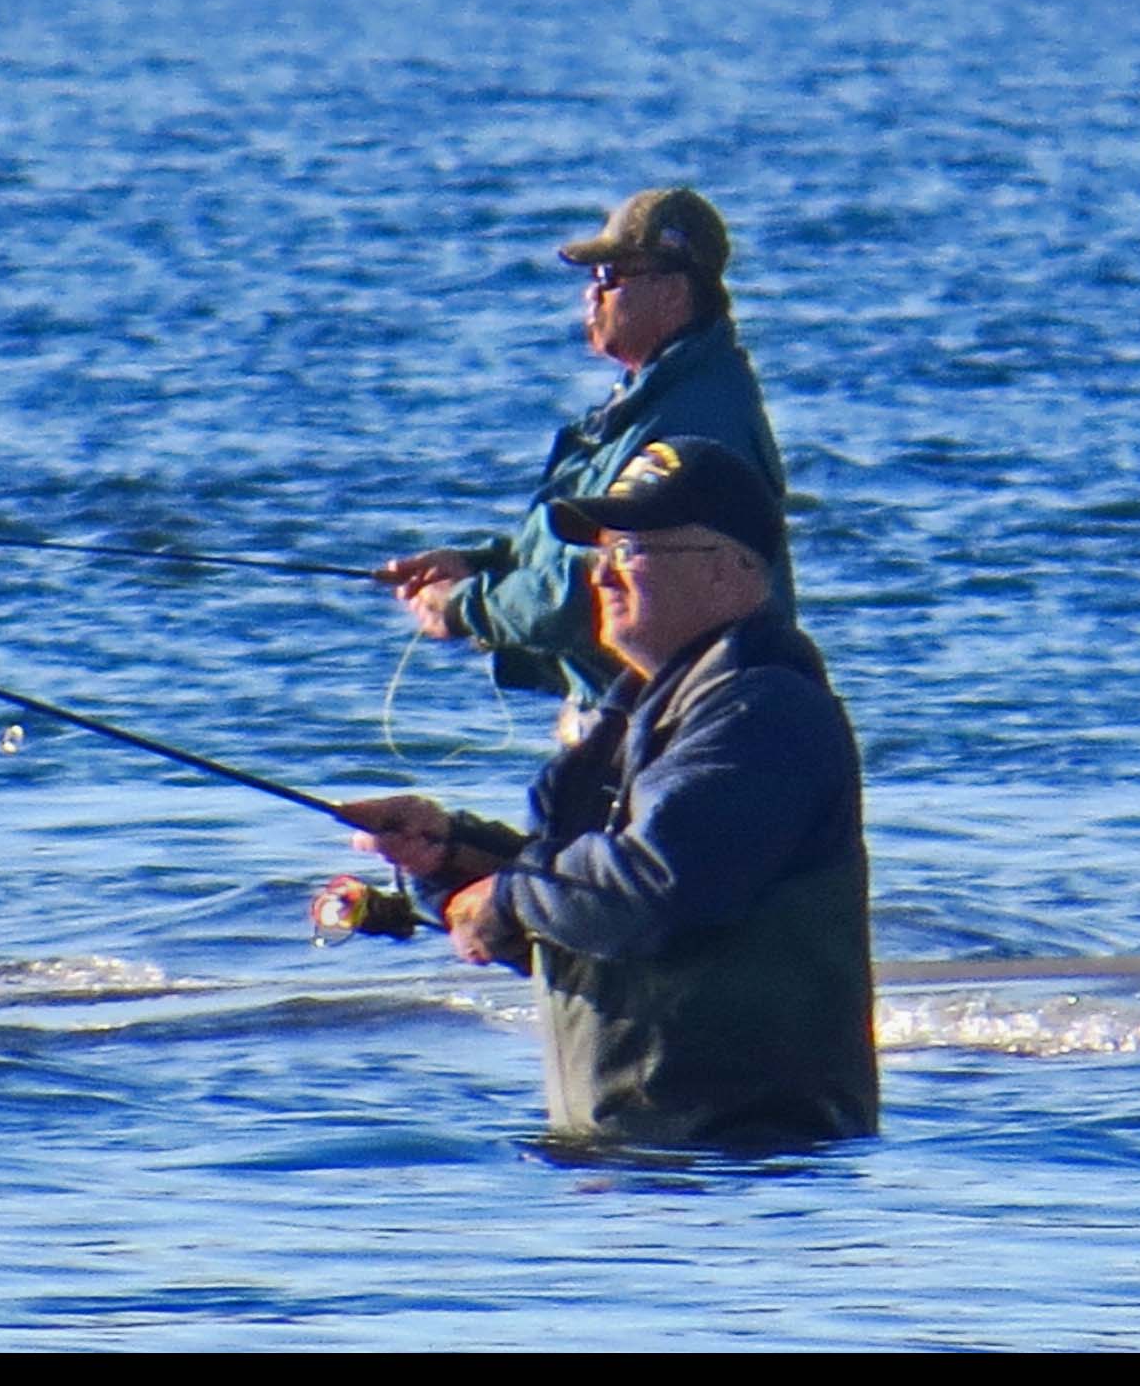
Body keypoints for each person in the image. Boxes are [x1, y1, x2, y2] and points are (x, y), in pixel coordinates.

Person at [343, 436, 879, 1150]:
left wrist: (505, 895)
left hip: (748, 1167)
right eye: (597, 555)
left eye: (630, 551)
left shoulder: (764, 711)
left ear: (729, 573)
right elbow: (581, 906)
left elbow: (653, 887)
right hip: (632, 1164)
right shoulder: (628, 724)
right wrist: (451, 859)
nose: (601, 576)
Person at [377, 187, 793, 715]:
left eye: (609, 279)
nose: (590, 297)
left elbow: (596, 585)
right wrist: (479, 563)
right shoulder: (653, 401)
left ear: (671, 292)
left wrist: (465, 606)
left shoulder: (695, 421)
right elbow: (594, 538)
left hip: (687, 713)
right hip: (635, 713)